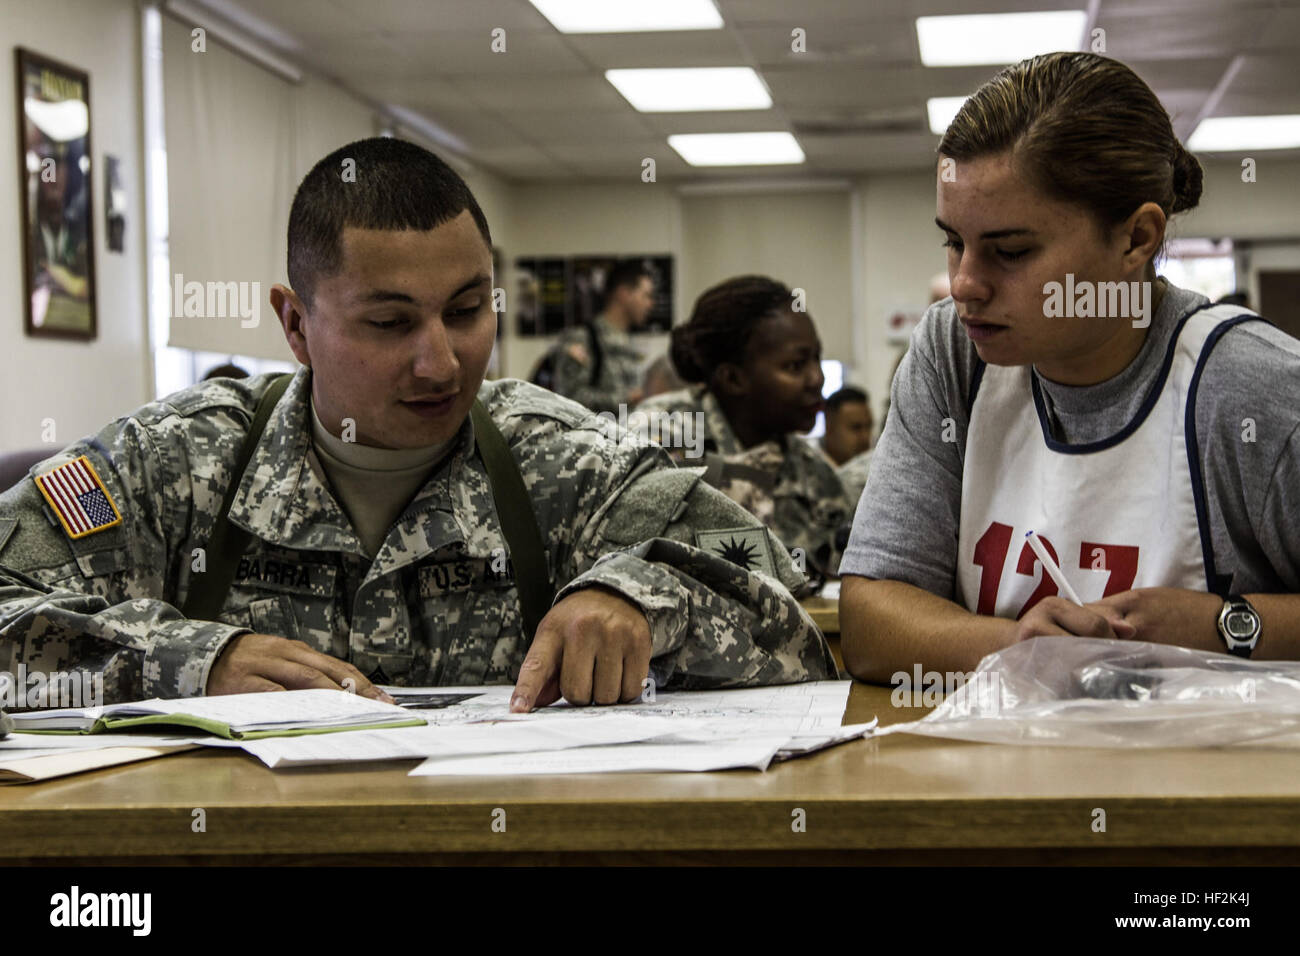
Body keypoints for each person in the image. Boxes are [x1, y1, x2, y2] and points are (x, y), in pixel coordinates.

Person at [0, 137, 836, 711]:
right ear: (295, 326)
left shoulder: (565, 462)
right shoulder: (177, 465)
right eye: (391, 323)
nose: (441, 363)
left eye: (468, 310)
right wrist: (189, 662)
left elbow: (795, 626)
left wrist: (642, 600)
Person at [840, 52, 1300, 683]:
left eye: (1010, 250)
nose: (965, 284)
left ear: (1136, 240)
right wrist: (1020, 647)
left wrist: (1226, 626)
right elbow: (871, 619)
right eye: (954, 242)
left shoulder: (1252, 388)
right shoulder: (953, 353)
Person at [638, 275, 852, 585]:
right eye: (795, 366)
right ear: (733, 378)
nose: (816, 378)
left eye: (817, 359)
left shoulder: (815, 475)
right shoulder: (656, 439)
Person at [547, 260, 656, 414]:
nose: (650, 304)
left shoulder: (627, 342)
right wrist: (627, 398)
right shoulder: (583, 338)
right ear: (624, 294)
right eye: (646, 295)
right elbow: (569, 398)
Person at [817, 387, 874, 467]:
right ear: (829, 426)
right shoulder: (804, 466)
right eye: (856, 428)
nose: (865, 437)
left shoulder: (876, 468)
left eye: (869, 427)